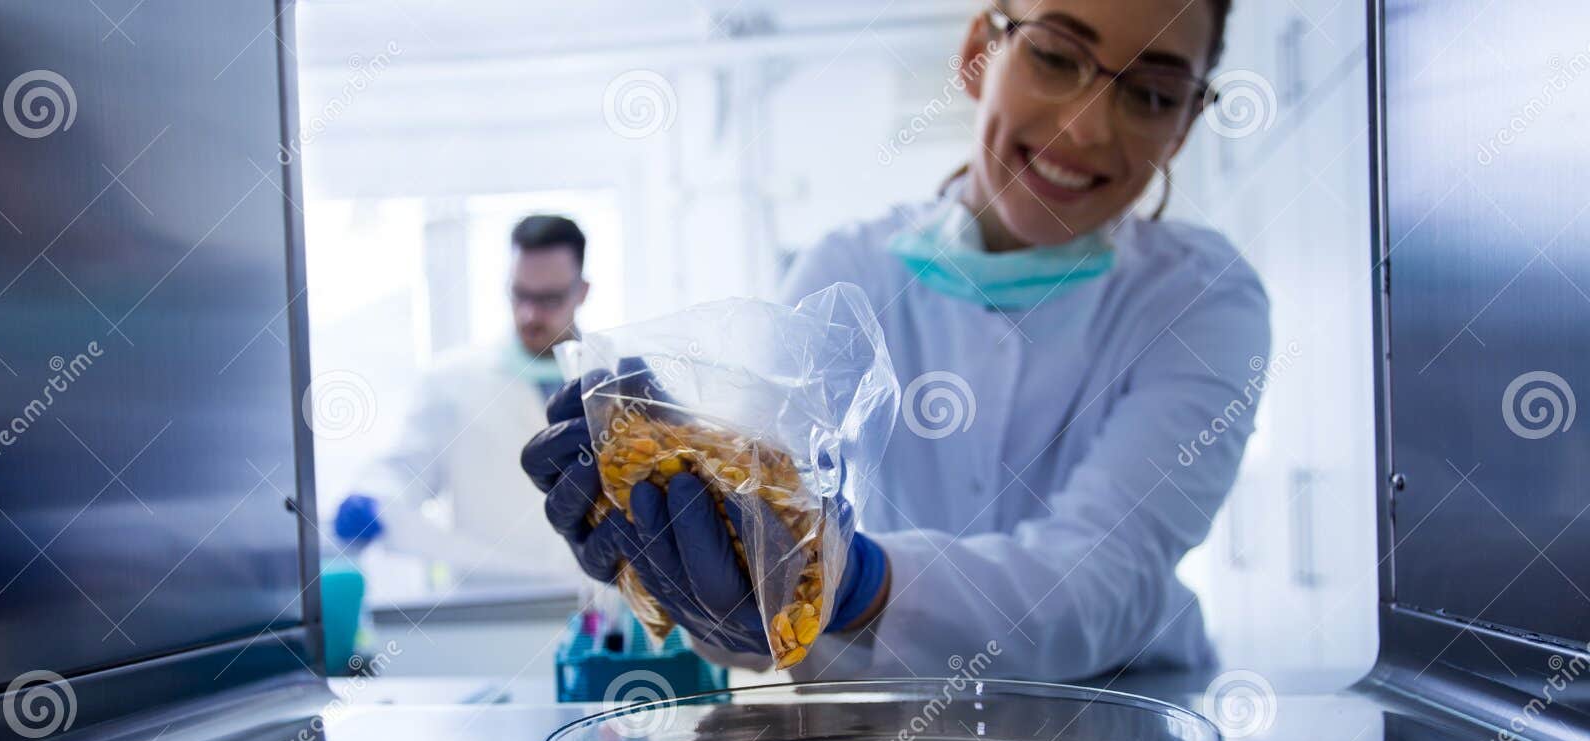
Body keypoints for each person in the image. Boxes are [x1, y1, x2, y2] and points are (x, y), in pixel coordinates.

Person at [523, 0, 1268, 680]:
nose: (1088, 127)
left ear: (1187, 125)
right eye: (1055, 55)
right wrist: (693, 566)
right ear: (980, 51)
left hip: (1131, 738)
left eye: (1153, 95)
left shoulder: (1202, 299)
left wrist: (864, 583)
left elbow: (1110, 571)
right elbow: (760, 571)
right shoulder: (846, 271)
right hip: (892, 738)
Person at [332, 215, 590, 581]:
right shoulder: (452, 380)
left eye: (549, 299)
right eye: (520, 295)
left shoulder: (615, 380)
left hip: (598, 605)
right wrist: (372, 497)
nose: (530, 314)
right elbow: (407, 469)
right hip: (487, 610)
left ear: (582, 292)